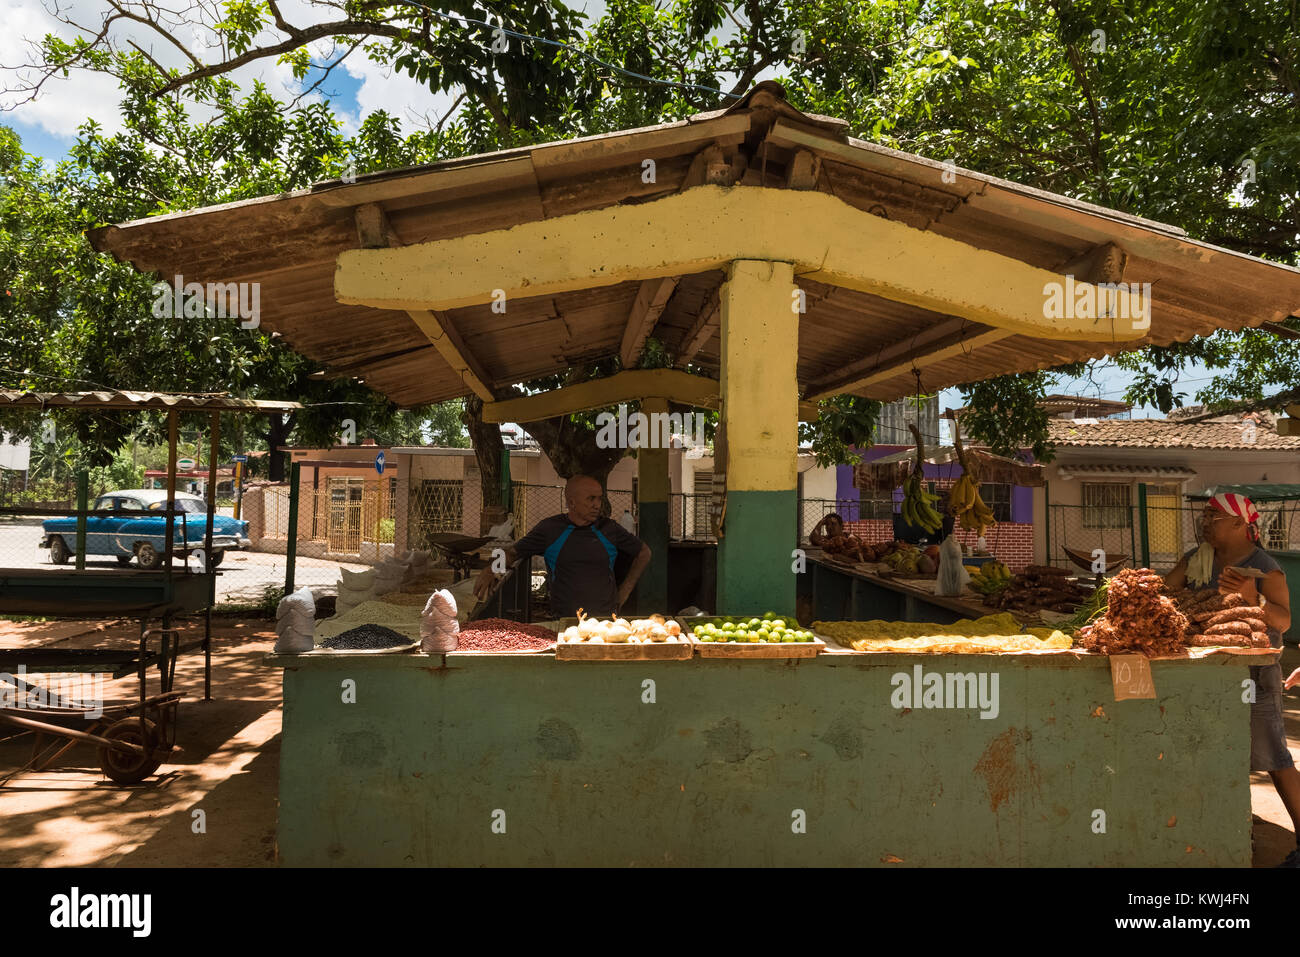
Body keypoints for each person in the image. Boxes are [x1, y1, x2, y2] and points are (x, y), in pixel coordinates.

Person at [1166, 492, 1299, 866]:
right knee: (1214, 750)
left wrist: (1252, 599)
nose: (1205, 523)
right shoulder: (1196, 559)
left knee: (1273, 756)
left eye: (1214, 517)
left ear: (1241, 524)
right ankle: (1230, 829)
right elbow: (1166, 590)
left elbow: (1284, 620)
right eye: (1206, 516)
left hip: (1254, 675)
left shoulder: (1264, 567)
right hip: (1204, 675)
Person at [473, 474, 651, 618]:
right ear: (571, 503)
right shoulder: (550, 529)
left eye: (599, 499)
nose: (597, 505)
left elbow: (644, 552)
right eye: (591, 499)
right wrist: (490, 569)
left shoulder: (609, 529)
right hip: (565, 621)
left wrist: (625, 590)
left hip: (606, 621)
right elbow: (512, 552)